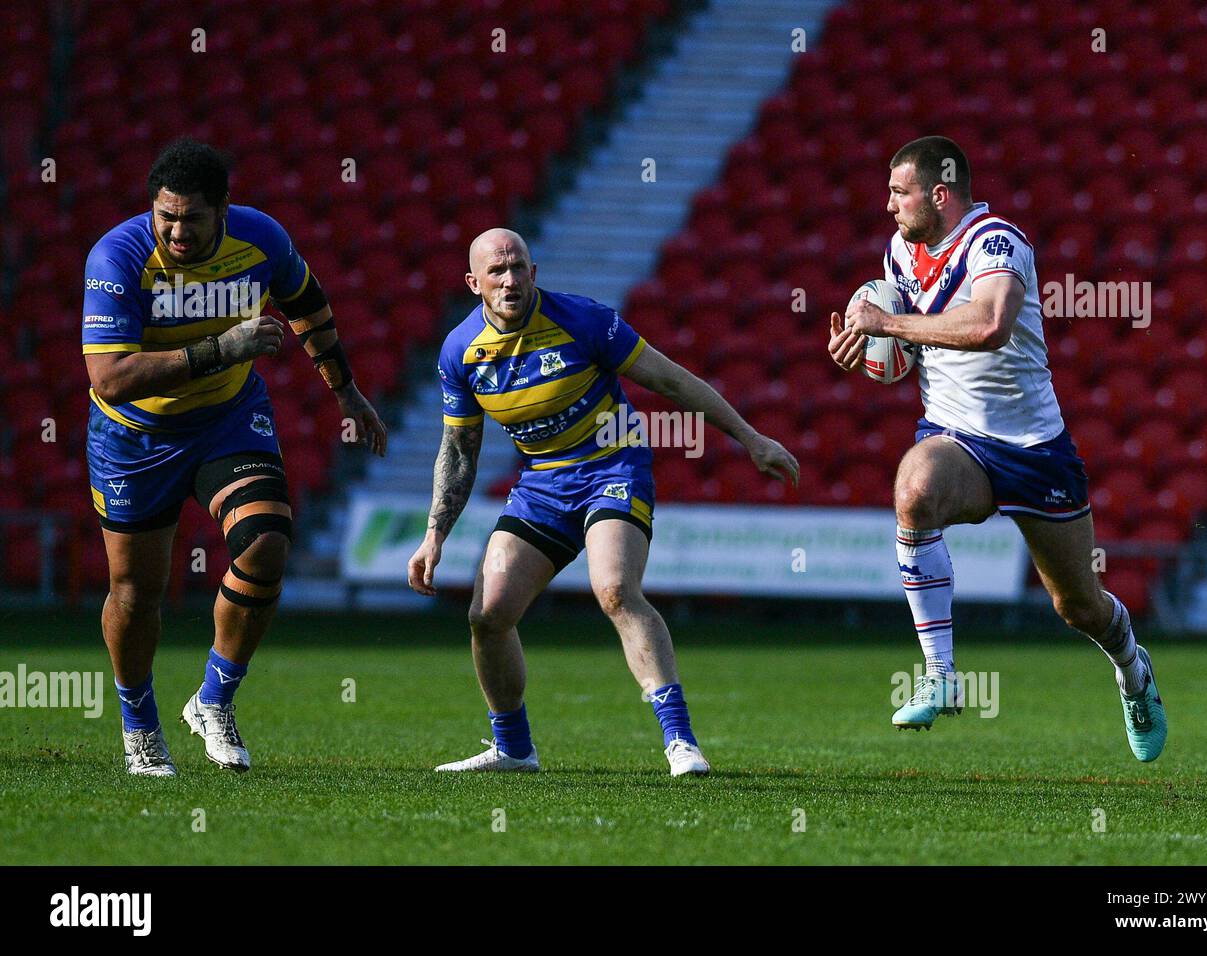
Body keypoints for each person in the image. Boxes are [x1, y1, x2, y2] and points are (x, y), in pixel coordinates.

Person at [407, 228, 798, 776]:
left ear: (534, 272)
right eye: (497, 272)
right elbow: (459, 450)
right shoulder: (459, 353)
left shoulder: (584, 321)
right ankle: (514, 749)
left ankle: (680, 742)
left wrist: (750, 438)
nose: (511, 280)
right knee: (488, 614)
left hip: (614, 465)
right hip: (543, 482)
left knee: (614, 588)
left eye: (519, 267)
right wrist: (434, 535)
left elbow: (672, 381)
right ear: (474, 283)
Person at [828, 136, 1167, 761]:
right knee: (914, 493)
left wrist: (888, 327)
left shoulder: (997, 241)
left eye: (899, 192)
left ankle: (1133, 671)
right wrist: (871, 352)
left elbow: (989, 326)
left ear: (939, 193)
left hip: (1036, 450)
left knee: (1078, 606)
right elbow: (904, 349)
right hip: (956, 437)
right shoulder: (899, 251)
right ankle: (941, 674)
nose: (889, 206)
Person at [82, 138, 387, 776]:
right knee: (136, 592)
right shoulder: (118, 255)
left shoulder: (262, 240)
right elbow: (110, 378)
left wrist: (348, 393)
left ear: (224, 209)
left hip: (226, 420)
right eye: (165, 216)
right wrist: (223, 348)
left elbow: (309, 307)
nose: (176, 230)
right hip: (135, 436)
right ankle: (139, 722)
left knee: (268, 542)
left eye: (192, 217)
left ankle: (213, 700)